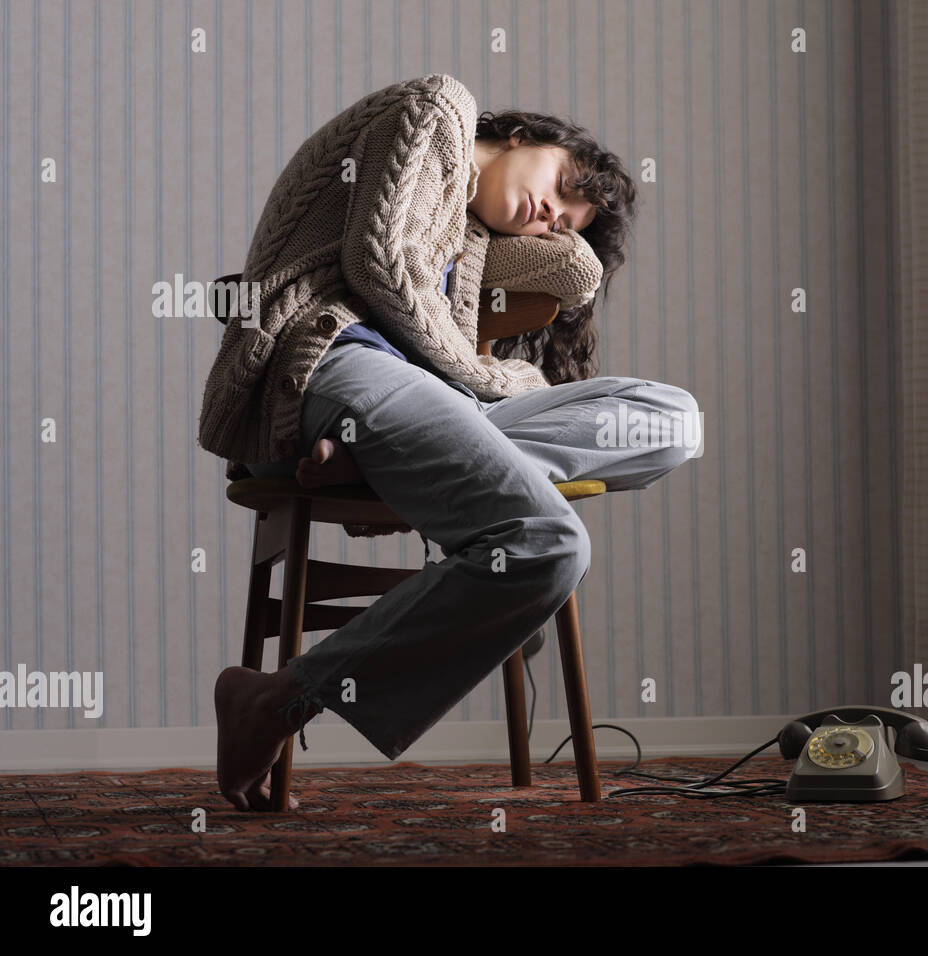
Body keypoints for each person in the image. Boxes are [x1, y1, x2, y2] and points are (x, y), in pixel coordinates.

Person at [198, 74, 700, 811]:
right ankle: (278, 699)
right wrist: (487, 378)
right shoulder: (437, 109)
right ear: (526, 134)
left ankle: (382, 460)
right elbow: (380, 264)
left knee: (672, 418)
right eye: (562, 187)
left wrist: (562, 234)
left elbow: (576, 272)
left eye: (564, 217)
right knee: (550, 544)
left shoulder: (469, 230)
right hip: (338, 361)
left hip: (435, 400)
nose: (552, 216)